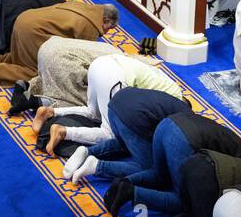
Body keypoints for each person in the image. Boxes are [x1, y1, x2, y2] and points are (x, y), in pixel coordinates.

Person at [102, 108, 241, 217]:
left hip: (166, 124)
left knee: (159, 174)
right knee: (184, 202)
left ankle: (125, 182)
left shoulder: (231, 137)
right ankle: (132, 193)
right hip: (183, 140)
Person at [35, 54, 185, 155]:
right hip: (115, 76)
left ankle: (51, 112)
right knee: (110, 134)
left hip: (99, 64)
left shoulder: (170, 85)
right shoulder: (174, 99)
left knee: (93, 112)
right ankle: (64, 132)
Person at [60, 85, 190, 184]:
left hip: (115, 105)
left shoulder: (167, 98)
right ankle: (98, 166)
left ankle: (87, 151)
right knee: (149, 168)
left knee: (126, 143)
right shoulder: (187, 117)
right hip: (134, 118)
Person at [0, 1, 118, 86]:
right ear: (105, 20)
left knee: (22, 56)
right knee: (41, 72)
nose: (106, 33)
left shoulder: (82, 6)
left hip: (24, 19)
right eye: (109, 28)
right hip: (34, 31)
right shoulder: (90, 26)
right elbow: (84, 56)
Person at [8, 38, 122, 114]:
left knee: (49, 80)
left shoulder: (113, 48)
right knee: (78, 99)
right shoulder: (122, 65)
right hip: (63, 61)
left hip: (47, 47)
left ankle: (26, 86)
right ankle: (35, 101)